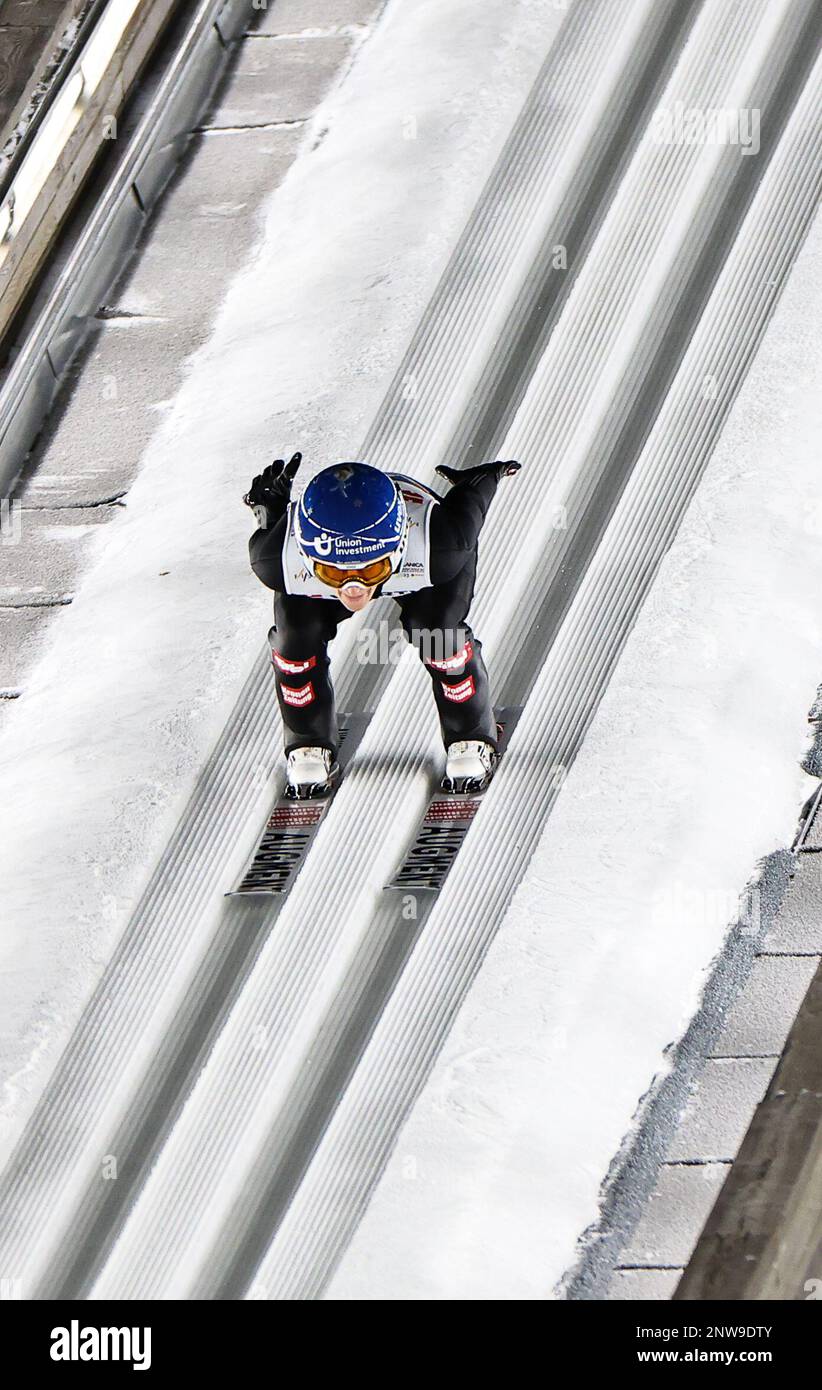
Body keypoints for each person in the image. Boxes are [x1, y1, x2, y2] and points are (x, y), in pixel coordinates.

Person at [245, 453, 521, 797]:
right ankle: (308, 740)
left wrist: (270, 507)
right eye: (335, 573)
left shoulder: (441, 543)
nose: (353, 590)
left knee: (438, 635)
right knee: (294, 642)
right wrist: (479, 478)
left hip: (417, 558)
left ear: (401, 545)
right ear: (304, 554)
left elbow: (472, 499)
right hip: (408, 565)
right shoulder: (275, 558)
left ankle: (470, 733)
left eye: (369, 571)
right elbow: (472, 495)